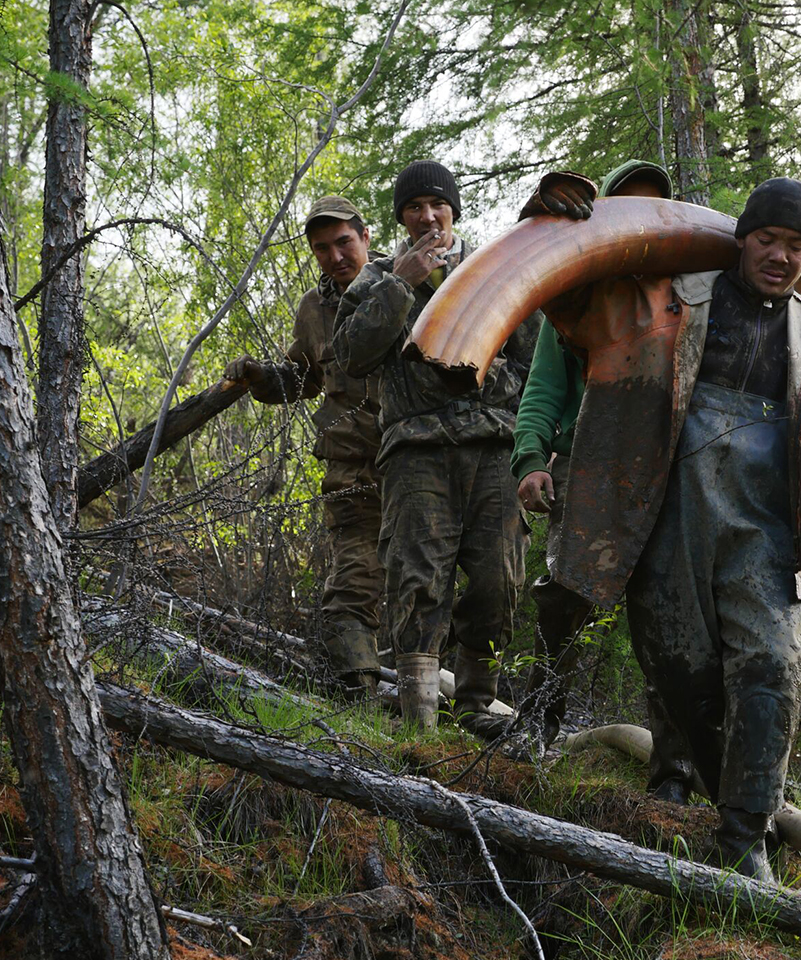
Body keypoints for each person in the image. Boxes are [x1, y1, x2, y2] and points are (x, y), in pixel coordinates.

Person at [525, 173, 801, 882]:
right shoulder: (670, 299)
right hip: (668, 510)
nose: (780, 256)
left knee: (776, 664)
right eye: (768, 239)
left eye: (797, 245)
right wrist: (549, 221)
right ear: (742, 239)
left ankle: (746, 840)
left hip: (766, 529)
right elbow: (568, 299)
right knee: (685, 676)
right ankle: (713, 802)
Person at [511, 159, 696, 802]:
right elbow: (541, 392)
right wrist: (532, 461)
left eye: (655, 207)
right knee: (563, 602)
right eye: (627, 207)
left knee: (669, 622)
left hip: (672, 483)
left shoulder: (694, 295)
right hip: (590, 471)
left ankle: (672, 775)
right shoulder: (581, 297)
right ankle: (533, 733)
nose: (642, 220)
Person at [334, 160, 531, 736]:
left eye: (436, 206)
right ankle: (419, 720)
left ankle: (476, 703)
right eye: (413, 207)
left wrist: (473, 377)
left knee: (499, 578)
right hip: (415, 451)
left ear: (454, 210)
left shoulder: (492, 269)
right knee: (417, 578)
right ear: (399, 216)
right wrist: (403, 282)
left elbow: (535, 362)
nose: (426, 217)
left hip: (495, 448)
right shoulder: (375, 279)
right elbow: (352, 356)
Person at [224, 196, 385, 701]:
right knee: (349, 596)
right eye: (322, 249)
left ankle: (450, 712)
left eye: (344, 242)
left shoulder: (403, 286)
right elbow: (302, 379)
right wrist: (258, 377)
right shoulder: (313, 309)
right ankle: (361, 709)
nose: (335, 256)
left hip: (420, 466)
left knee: (430, 594)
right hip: (353, 477)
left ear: (365, 236)